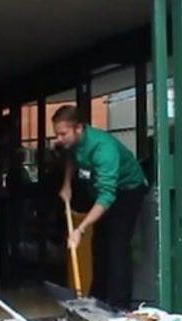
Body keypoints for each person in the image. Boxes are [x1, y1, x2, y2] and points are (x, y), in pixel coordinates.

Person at [52, 105, 148, 310]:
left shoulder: (104, 149)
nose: (58, 139)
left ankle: (118, 308)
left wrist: (80, 229)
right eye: (57, 134)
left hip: (127, 190)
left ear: (78, 128)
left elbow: (106, 197)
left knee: (117, 246)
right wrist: (67, 184)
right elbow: (71, 157)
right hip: (103, 192)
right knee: (99, 246)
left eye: (62, 134)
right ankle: (97, 303)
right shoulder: (74, 142)